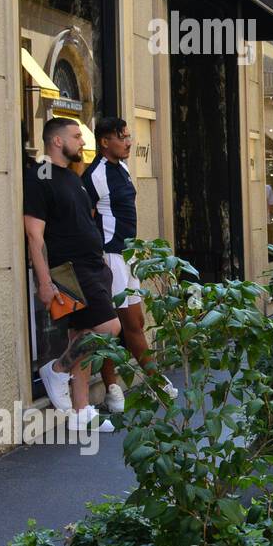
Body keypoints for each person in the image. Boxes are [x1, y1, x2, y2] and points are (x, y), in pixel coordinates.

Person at [23, 118, 120, 433]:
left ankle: (81, 411)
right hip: (68, 269)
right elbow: (34, 236)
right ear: (56, 141)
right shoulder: (40, 174)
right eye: (76, 136)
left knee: (80, 336)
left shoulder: (72, 177)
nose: (82, 141)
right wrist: (44, 281)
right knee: (108, 327)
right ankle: (57, 369)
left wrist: (103, 264)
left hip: (93, 267)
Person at [83, 117, 177, 413]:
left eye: (128, 135)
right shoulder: (94, 175)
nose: (129, 141)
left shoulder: (121, 168)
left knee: (132, 323)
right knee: (125, 324)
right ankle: (148, 383)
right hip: (110, 258)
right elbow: (86, 219)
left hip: (128, 255)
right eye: (122, 137)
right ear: (104, 142)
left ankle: (116, 388)